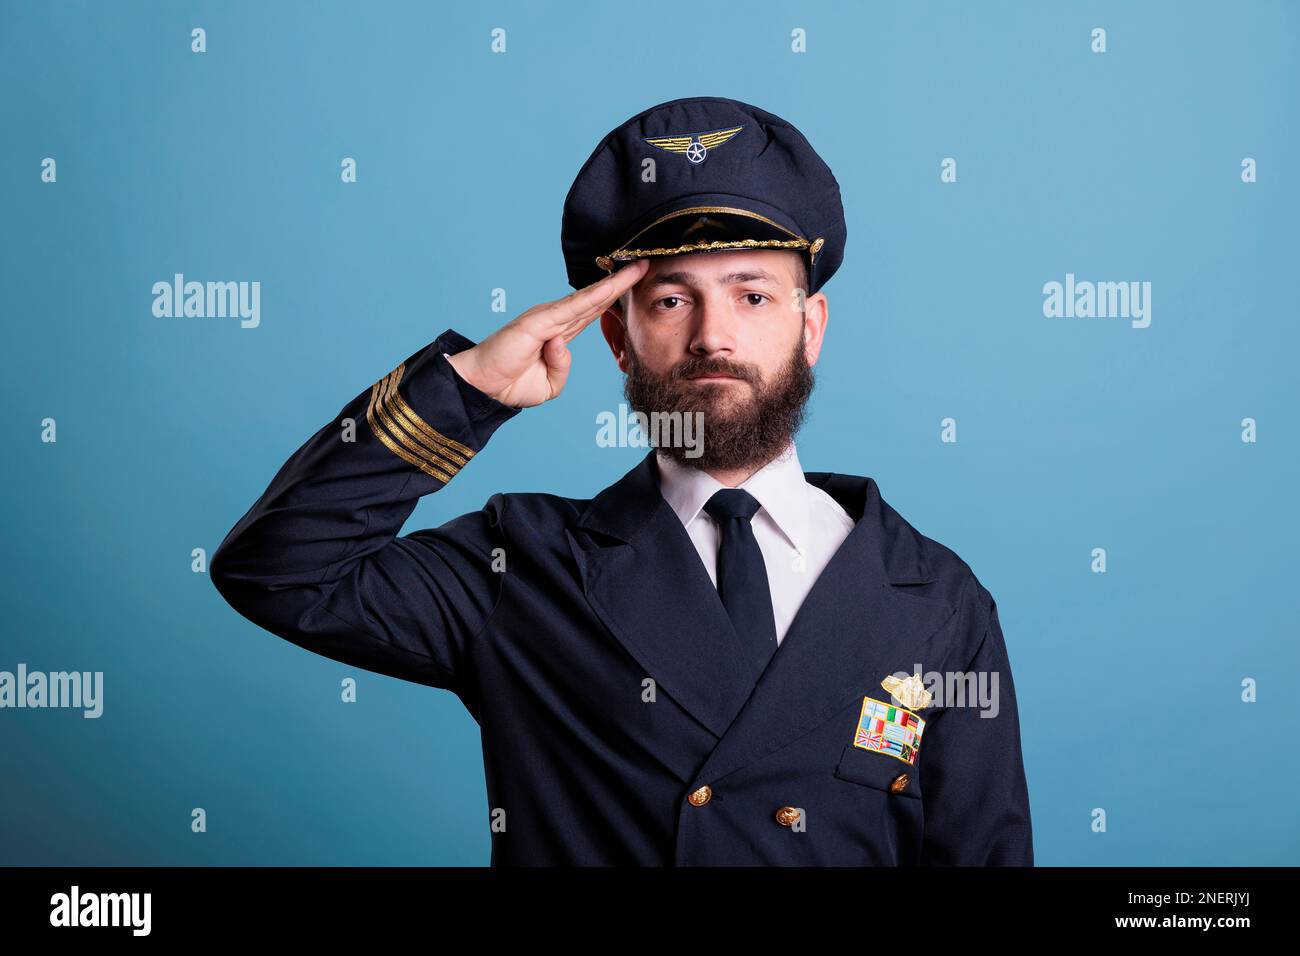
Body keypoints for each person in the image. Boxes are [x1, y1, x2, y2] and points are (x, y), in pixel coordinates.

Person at [211, 96, 1034, 865]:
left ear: (810, 327)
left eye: (752, 295)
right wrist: (465, 392)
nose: (714, 336)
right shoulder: (522, 564)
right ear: (616, 336)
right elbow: (279, 573)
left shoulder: (936, 598)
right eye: (672, 300)